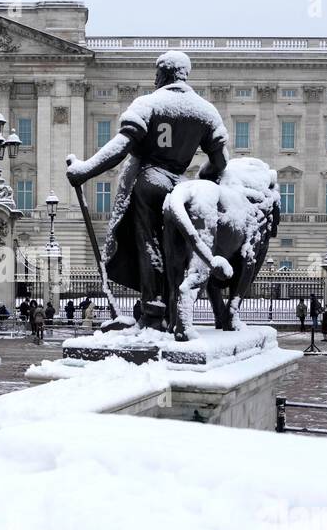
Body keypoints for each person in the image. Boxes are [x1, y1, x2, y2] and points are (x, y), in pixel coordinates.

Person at [66, 50, 228, 329]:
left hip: (151, 181)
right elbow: (221, 161)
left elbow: (121, 147)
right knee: (174, 252)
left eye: (157, 74)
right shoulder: (205, 111)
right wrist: (204, 176)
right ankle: (172, 310)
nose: (155, 80)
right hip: (180, 185)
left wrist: (84, 170)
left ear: (164, 74)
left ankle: (153, 311)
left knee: (149, 246)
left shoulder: (149, 103)